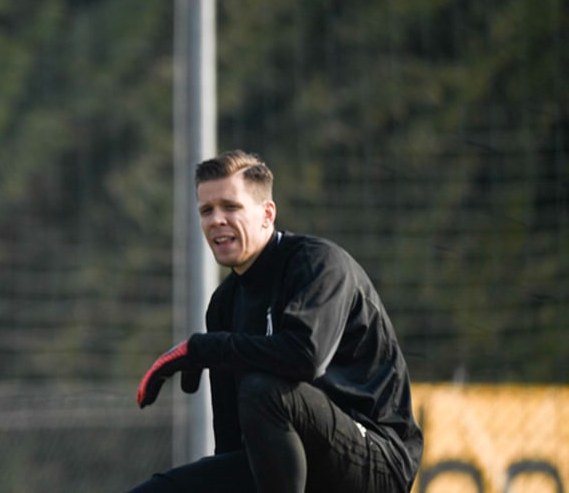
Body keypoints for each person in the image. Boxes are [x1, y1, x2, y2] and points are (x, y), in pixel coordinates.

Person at [128, 150, 422, 493]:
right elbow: (232, 444)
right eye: (206, 210)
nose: (216, 220)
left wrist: (204, 349)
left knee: (265, 389)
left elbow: (304, 356)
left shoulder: (319, 264)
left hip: (375, 461)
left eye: (230, 207)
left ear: (267, 214)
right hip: (287, 467)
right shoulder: (224, 303)